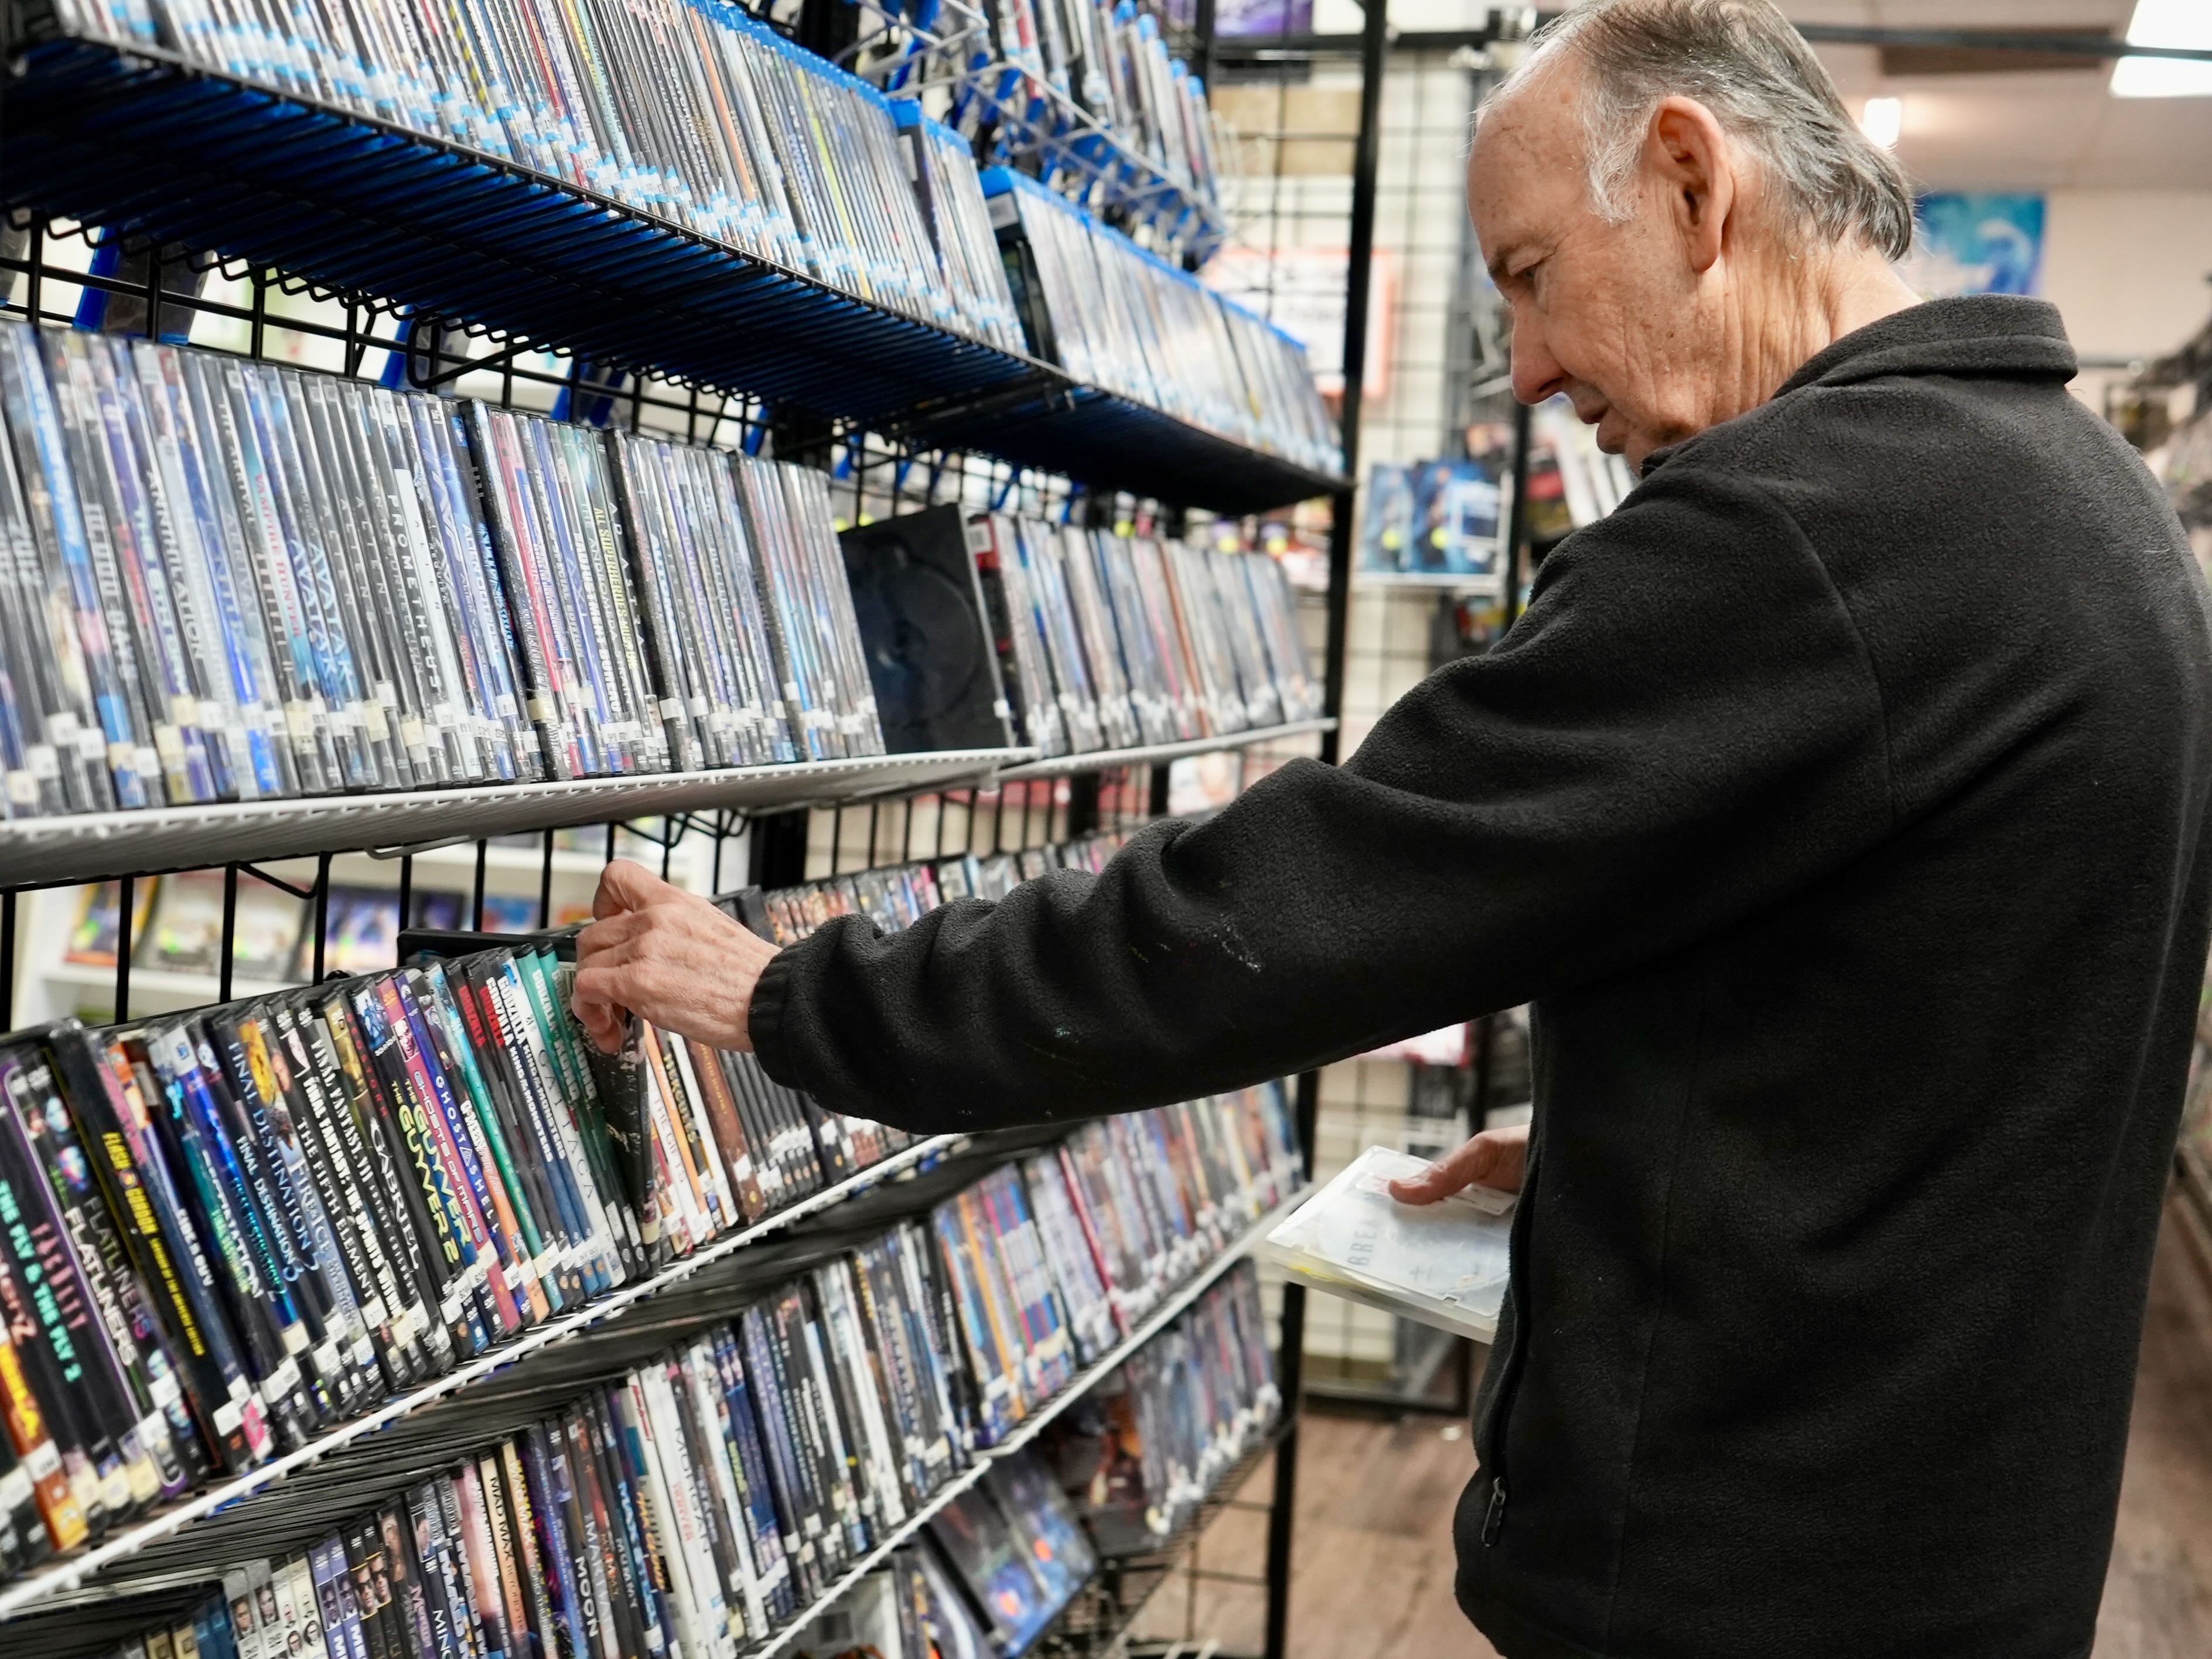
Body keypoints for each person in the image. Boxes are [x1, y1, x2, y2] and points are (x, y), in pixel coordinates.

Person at [571, 1, 2212, 1654]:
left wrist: (791, 996)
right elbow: (1959, 1041)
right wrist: (1629, 1165)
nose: (1535, 369)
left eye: (1529, 274)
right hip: (1961, 1551)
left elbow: (1276, 915)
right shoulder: (2084, 504)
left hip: (1751, 1576)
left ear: (1696, 183)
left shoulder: (1803, 534)